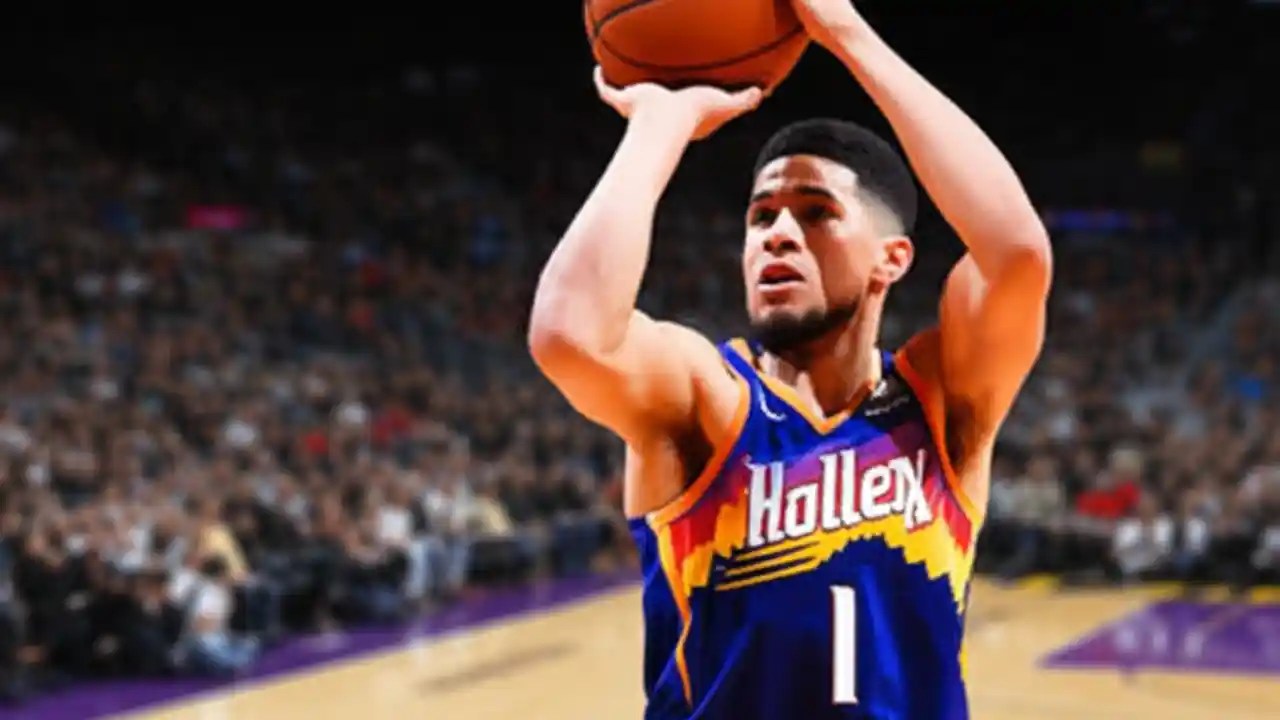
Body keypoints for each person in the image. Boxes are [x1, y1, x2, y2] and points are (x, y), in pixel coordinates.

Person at [528, 1, 1052, 718]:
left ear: (891, 259)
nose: (776, 233)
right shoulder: (709, 401)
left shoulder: (940, 402)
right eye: (760, 215)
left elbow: (1018, 254)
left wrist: (848, 33)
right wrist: (660, 124)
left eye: (816, 213)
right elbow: (567, 333)